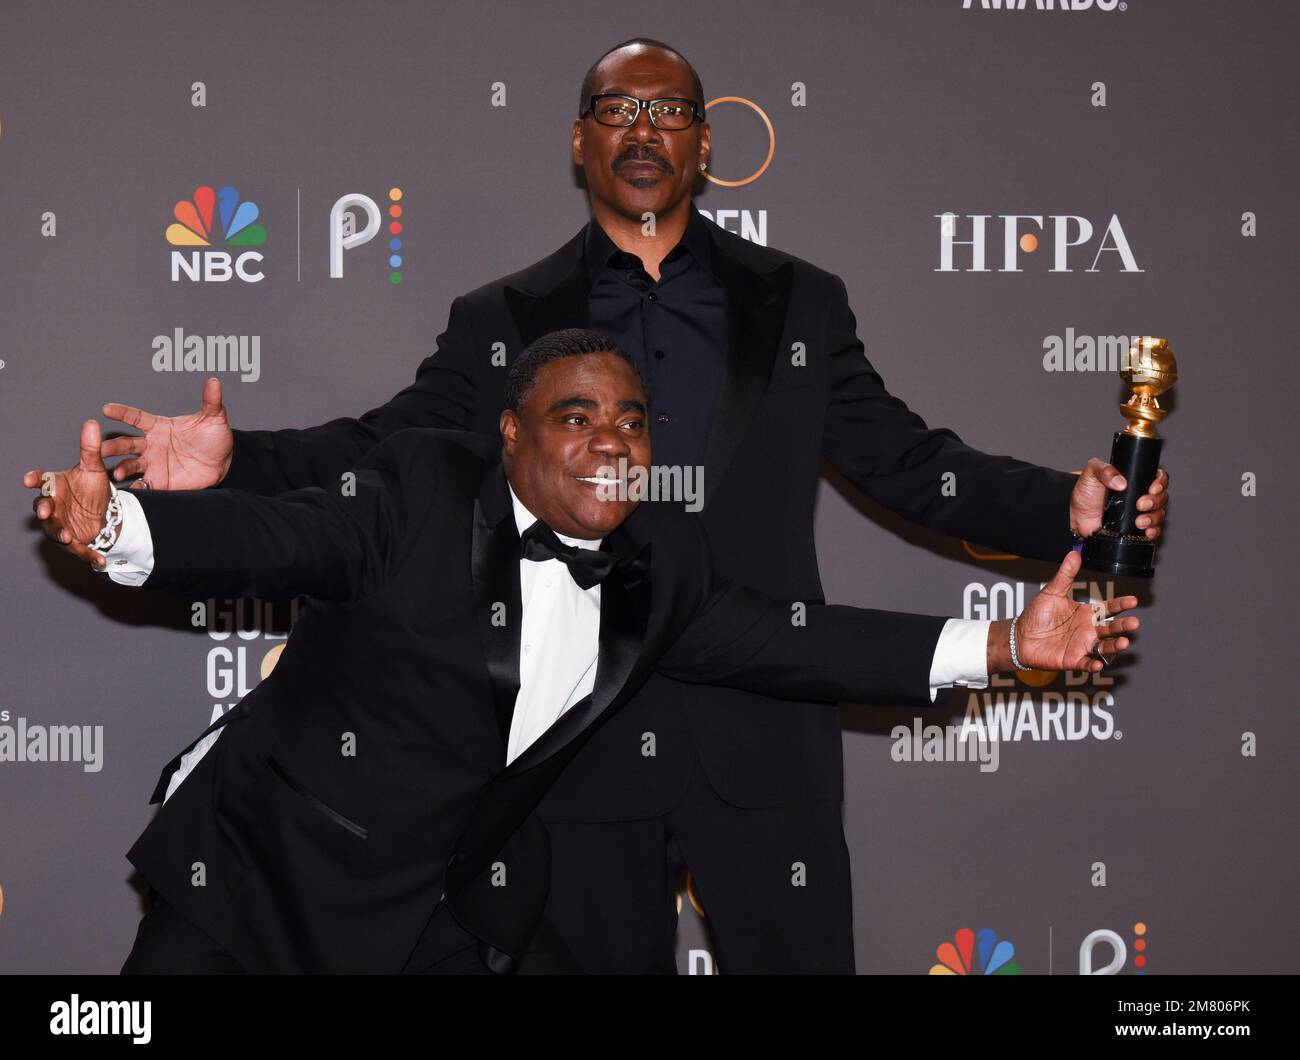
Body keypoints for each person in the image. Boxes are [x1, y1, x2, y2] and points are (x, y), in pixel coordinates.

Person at [42, 39, 1169, 974]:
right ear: (579, 140)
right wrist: (241, 462)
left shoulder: (799, 303)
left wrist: (1062, 511)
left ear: (705, 142)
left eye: (668, 111)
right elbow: (386, 452)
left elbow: (909, 460)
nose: (642, 129)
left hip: (763, 733)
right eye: (614, 109)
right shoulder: (503, 311)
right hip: (571, 752)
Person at [25, 330, 1139, 974]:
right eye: (576, 416)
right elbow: (278, 535)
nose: (612, 438)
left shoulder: (663, 563)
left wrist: (1005, 642)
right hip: (254, 882)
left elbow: (799, 643)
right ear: (509, 433)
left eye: (633, 421)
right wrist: (122, 528)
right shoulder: (415, 488)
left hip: (437, 920)